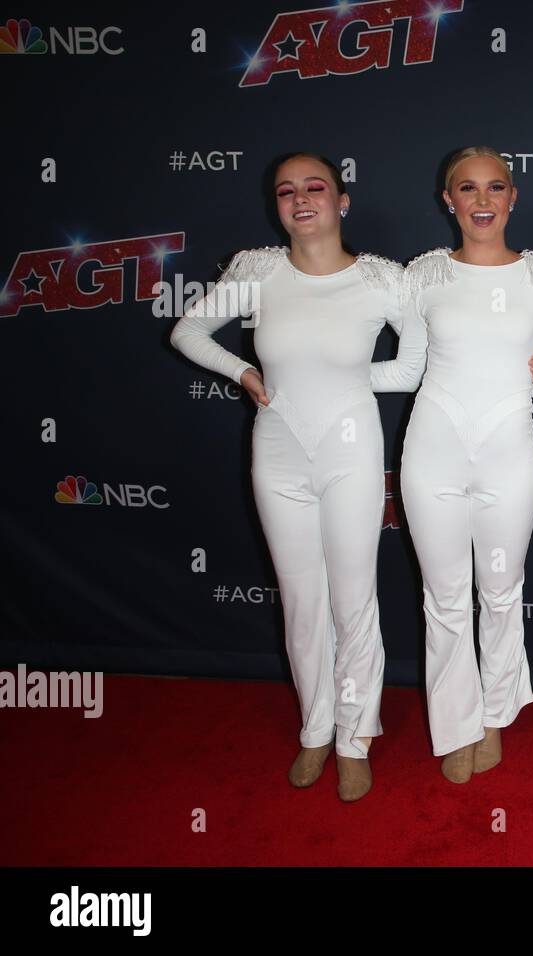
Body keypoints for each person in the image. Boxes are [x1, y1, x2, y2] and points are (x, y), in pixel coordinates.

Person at [169, 152, 428, 802]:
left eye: (316, 187)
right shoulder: (257, 270)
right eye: (287, 191)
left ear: (342, 201)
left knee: (352, 598)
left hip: (351, 453)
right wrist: (245, 374)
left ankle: (354, 735)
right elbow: (188, 331)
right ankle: (316, 727)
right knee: (303, 602)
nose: (301, 199)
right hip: (277, 456)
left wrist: (349, 382)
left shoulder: (382, 279)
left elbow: (418, 362)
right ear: (277, 206)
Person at [393, 147, 533, 783]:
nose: (482, 201)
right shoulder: (423, 274)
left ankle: (494, 714)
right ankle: (455, 721)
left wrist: (524, 381)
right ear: (447, 200)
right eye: (467, 188)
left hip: (509, 457)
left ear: (513, 198)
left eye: (495, 187)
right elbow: (408, 369)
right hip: (433, 454)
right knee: (445, 597)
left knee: (502, 592)